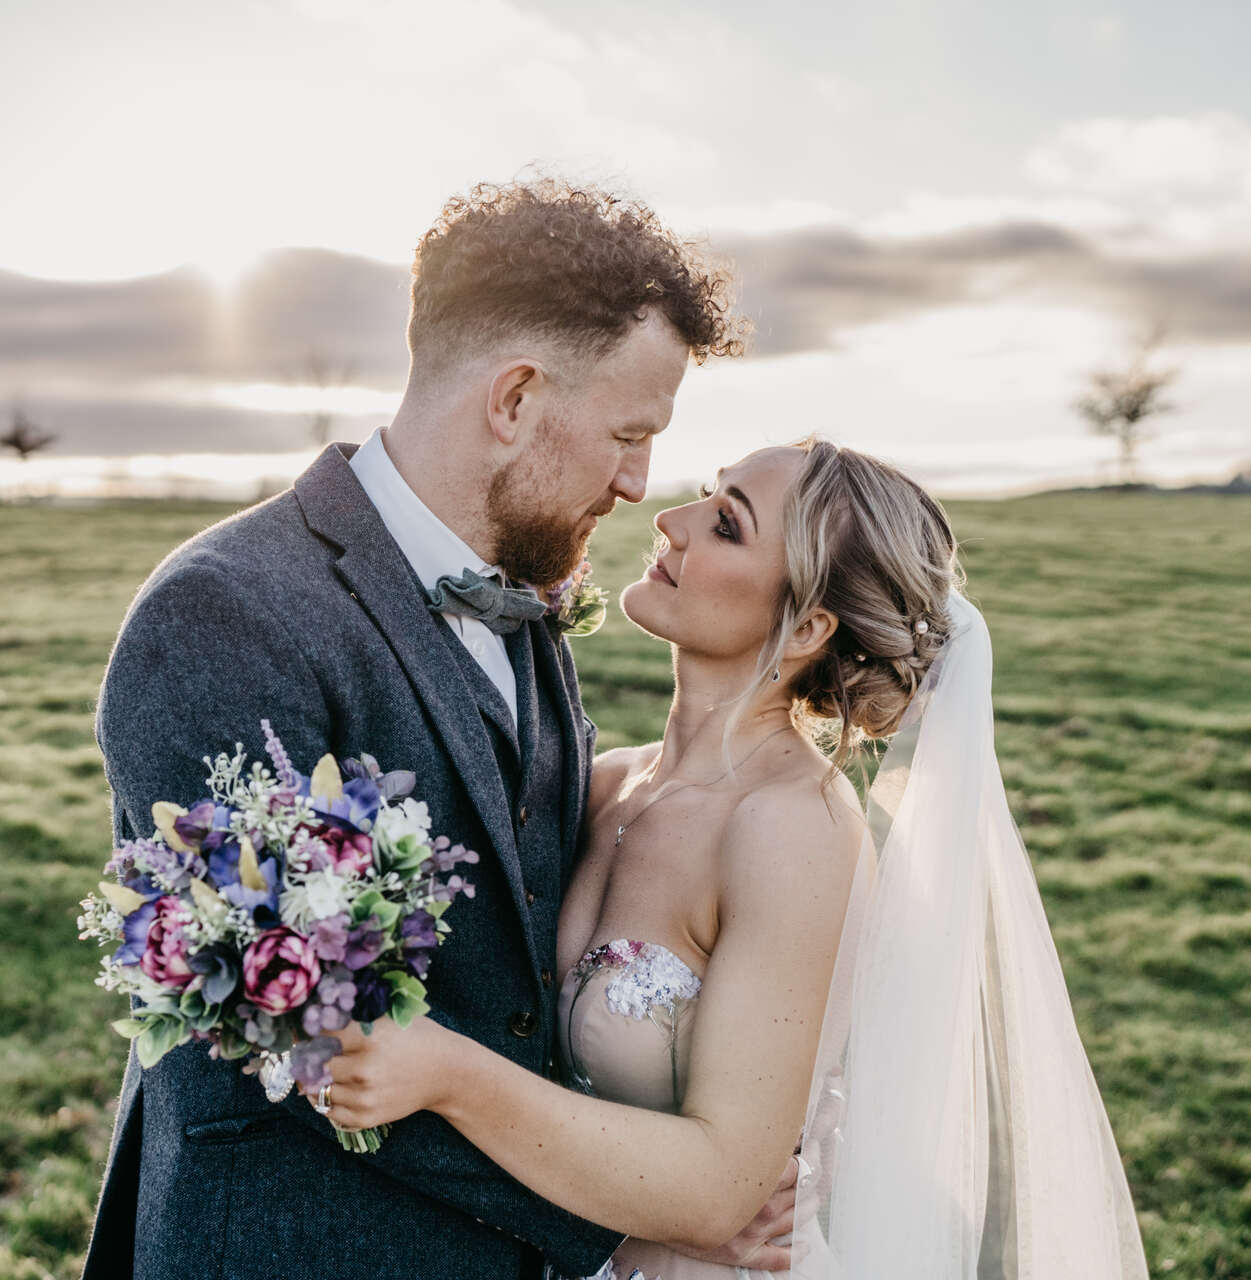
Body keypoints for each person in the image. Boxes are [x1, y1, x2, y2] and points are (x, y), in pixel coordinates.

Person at [80, 177, 792, 1279]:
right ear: (513, 399)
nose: (639, 481)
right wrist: (630, 1225)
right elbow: (295, 1040)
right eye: (627, 432)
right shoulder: (224, 615)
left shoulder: (527, 599)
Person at [321, 438, 1152, 1279]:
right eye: (703, 497)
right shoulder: (606, 782)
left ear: (809, 625)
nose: (669, 523)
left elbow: (723, 1189)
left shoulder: (794, 832)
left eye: (726, 525)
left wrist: (445, 1073)